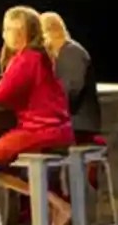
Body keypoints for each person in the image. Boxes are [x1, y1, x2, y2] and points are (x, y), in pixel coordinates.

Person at [0, 6, 76, 225]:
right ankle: (54, 205)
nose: (6, 34)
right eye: (6, 29)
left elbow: (3, 93)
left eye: (10, 29)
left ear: (23, 33)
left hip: (41, 129)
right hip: (59, 129)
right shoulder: (41, 54)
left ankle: (57, 204)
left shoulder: (27, 58)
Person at [41, 12, 102, 140]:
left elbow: (70, 92)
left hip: (79, 126)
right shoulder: (59, 54)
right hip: (67, 124)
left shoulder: (72, 53)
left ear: (49, 33)